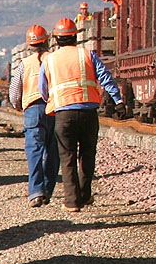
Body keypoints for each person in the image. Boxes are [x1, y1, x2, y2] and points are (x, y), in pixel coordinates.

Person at [39, 18, 125, 212]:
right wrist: (118, 101)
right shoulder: (87, 55)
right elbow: (105, 77)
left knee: (67, 157)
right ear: (75, 37)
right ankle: (85, 196)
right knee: (87, 155)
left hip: (63, 115)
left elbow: (43, 89)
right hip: (88, 113)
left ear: (56, 39)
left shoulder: (49, 60)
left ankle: (71, 201)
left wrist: (54, 100)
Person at [8, 25, 59, 207]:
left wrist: (18, 105)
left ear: (30, 45)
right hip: (54, 108)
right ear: (47, 41)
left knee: (34, 152)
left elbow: (14, 92)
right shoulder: (54, 59)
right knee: (53, 151)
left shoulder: (24, 63)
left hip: (32, 110)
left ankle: (36, 192)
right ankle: (47, 190)